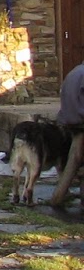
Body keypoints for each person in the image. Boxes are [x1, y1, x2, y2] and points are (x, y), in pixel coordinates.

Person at [49, 60, 84, 209]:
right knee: (76, 159)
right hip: (81, 120)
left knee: (74, 159)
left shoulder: (74, 71)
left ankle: (58, 197)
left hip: (70, 122)